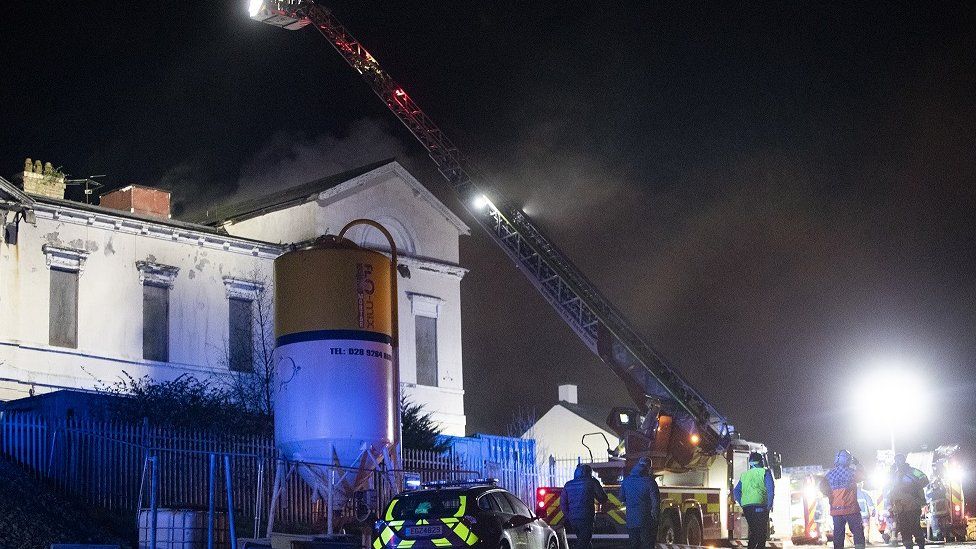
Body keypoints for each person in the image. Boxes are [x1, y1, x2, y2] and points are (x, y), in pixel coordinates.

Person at [821, 449, 866, 549]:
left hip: (836, 511)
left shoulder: (829, 474)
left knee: (838, 535)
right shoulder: (851, 472)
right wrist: (858, 464)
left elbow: (822, 487)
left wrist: (830, 496)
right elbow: (863, 476)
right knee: (857, 532)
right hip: (851, 510)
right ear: (848, 460)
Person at [559, 464, 608, 549]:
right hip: (586, 517)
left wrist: (569, 516)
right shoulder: (591, 482)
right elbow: (602, 498)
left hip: (573, 519)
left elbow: (563, 503)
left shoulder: (568, 485)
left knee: (584, 541)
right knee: (583, 542)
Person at [733, 452, 775, 549]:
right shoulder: (765, 472)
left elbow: (736, 491)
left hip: (747, 508)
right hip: (760, 506)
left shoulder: (745, 475)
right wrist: (769, 506)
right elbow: (770, 490)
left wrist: (742, 503)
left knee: (754, 532)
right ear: (761, 461)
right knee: (761, 533)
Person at [887, 453, 929, 549]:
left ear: (904, 460)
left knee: (915, 527)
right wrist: (890, 504)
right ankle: (908, 546)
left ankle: (921, 546)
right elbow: (891, 490)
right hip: (900, 507)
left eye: (900, 459)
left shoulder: (913, 471)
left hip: (913, 505)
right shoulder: (894, 475)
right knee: (904, 529)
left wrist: (913, 487)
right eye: (896, 460)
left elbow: (925, 480)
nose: (898, 462)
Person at [620, 457, 660, 549]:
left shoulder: (626, 481)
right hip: (646, 521)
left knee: (634, 545)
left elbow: (621, 498)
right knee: (647, 545)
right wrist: (656, 518)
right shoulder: (650, 482)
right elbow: (655, 501)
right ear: (648, 467)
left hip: (631, 521)